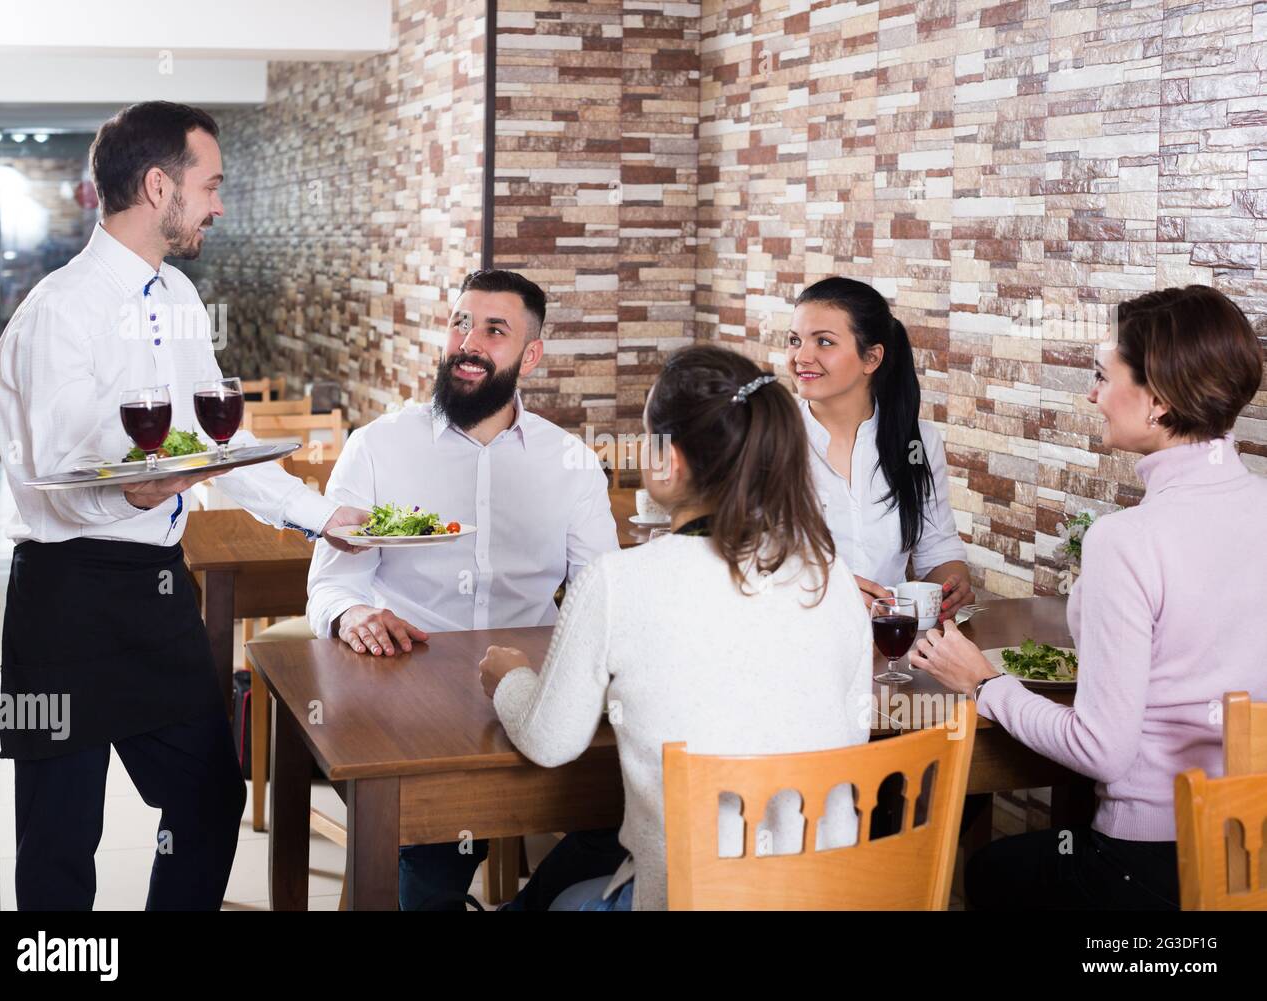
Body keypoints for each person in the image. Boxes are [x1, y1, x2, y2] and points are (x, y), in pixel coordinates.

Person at [0, 101, 367, 910]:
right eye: (211, 184)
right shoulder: (61, 310)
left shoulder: (182, 300)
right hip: (62, 594)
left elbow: (215, 440)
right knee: (58, 838)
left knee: (207, 797)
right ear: (159, 185)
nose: (220, 204)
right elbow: (56, 468)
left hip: (156, 588)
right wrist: (135, 487)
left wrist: (322, 514)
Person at [910, 284, 1267, 910]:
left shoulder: (1126, 541)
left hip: (1149, 866)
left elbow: (1101, 750)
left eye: (1102, 377)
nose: (1092, 395)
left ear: (1156, 400)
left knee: (993, 870)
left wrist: (984, 683)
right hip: (1249, 851)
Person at [478, 344, 872, 910]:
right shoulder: (830, 576)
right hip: (825, 894)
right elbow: (851, 738)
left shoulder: (617, 582)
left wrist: (509, 678)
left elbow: (550, 742)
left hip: (690, 899)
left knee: (561, 900)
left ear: (670, 460)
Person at [306, 268, 624, 909]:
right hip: (410, 691)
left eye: (494, 330)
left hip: (531, 688)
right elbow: (331, 584)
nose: (468, 341)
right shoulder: (377, 446)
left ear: (530, 355)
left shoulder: (570, 461)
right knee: (432, 862)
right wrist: (355, 614)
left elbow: (602, 594)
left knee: (627, 811)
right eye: (459, 323)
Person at [788, 277, 974, 618]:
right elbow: (737, 559)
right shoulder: (765, 441)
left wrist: (952, 583)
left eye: (824, 342)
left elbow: (937, 549)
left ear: (871, 358)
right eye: (794, 340)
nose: (801, 356)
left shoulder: (917, 443)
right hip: (794, 641)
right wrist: (824, 587)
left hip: (887, 649)